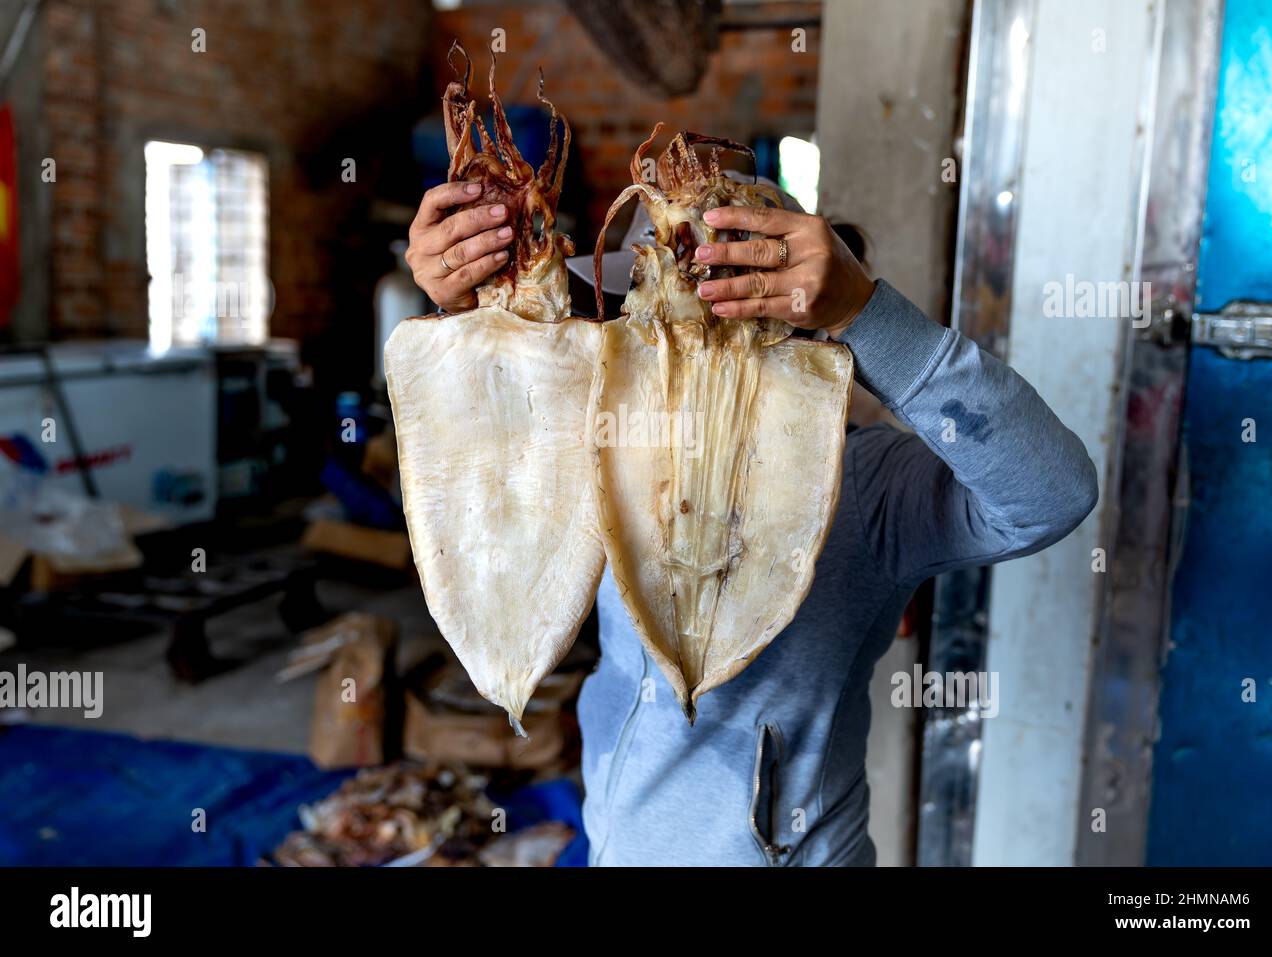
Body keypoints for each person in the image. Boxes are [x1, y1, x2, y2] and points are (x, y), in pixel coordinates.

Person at [404, 181, 1098, 866]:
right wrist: (468, 311)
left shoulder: (869, 483)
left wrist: (865, 313)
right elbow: (484, 467)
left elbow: (1053, 492)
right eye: (642, 305)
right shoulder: (609, 436)